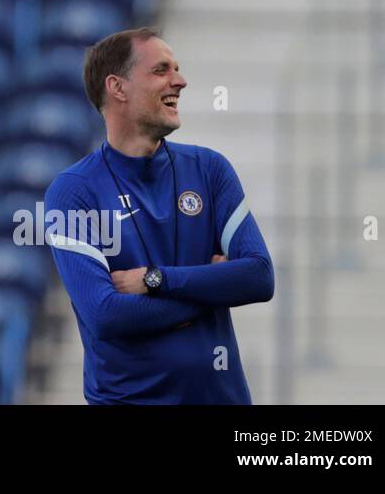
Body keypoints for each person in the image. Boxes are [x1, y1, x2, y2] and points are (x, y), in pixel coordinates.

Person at [43, 27, 275, 403]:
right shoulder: (74, 192)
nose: (180, 82)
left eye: (177, 69)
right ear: (117, 87)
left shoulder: (210, 170)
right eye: (161, 70)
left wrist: (156, 280)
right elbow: (106, 315)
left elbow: (260, 278)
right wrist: (213, 285)